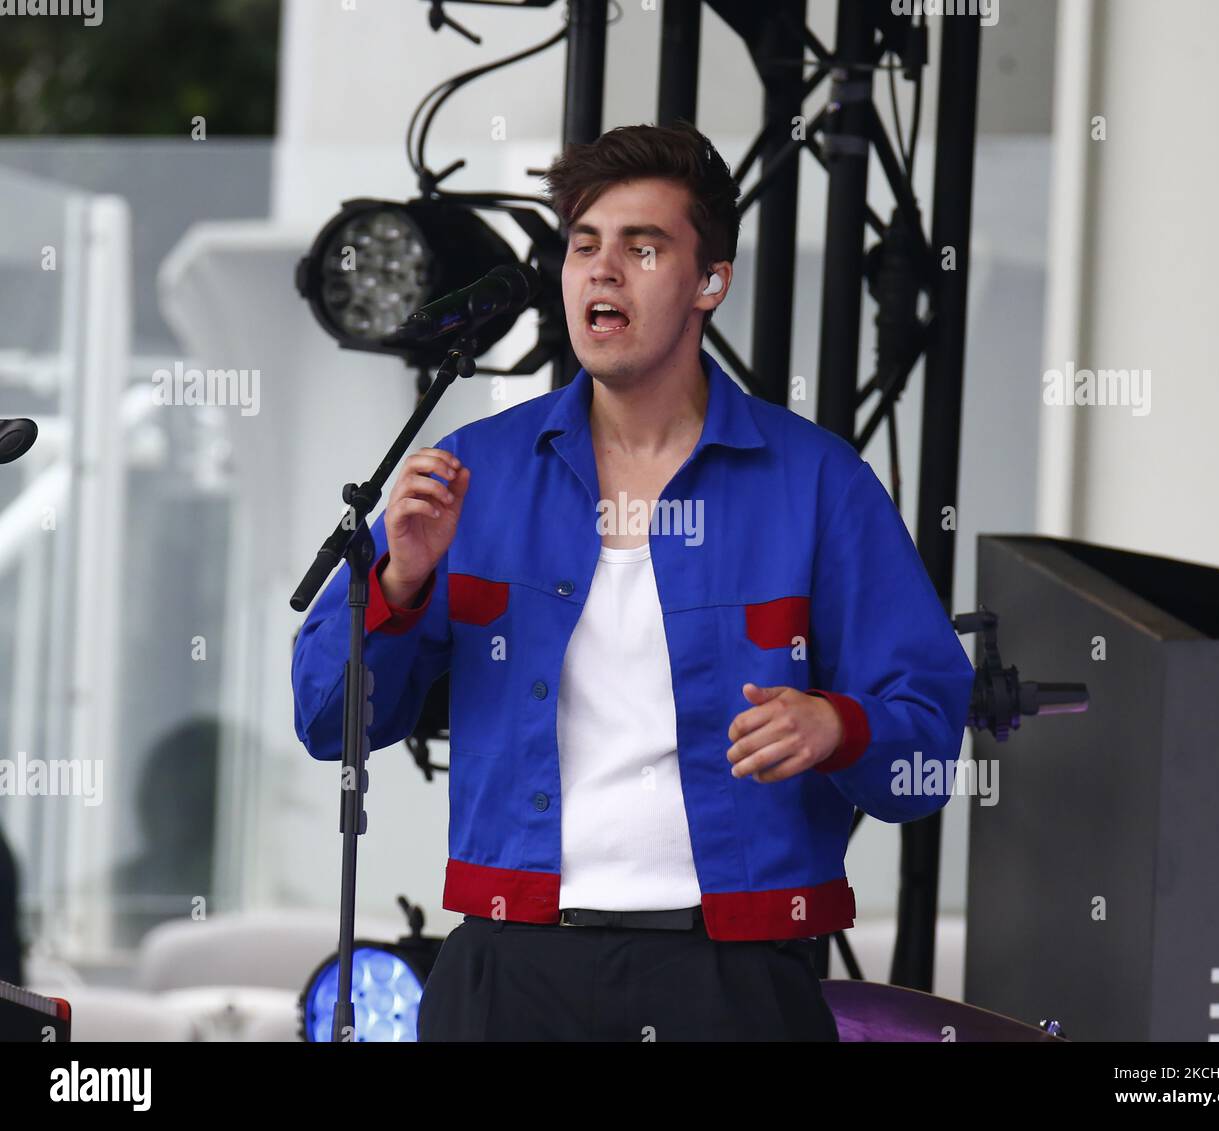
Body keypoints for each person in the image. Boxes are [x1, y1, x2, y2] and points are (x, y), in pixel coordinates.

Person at [291, 121, 974, 1042]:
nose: (602, 270)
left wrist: (837, 724)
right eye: (584, 246)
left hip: (732, 975)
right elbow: (327, 718)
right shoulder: (470, 473)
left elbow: (926, 749)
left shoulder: (816, 481)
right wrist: (401, 584)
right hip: (509, 963)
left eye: (642, 248)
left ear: (710, 283)